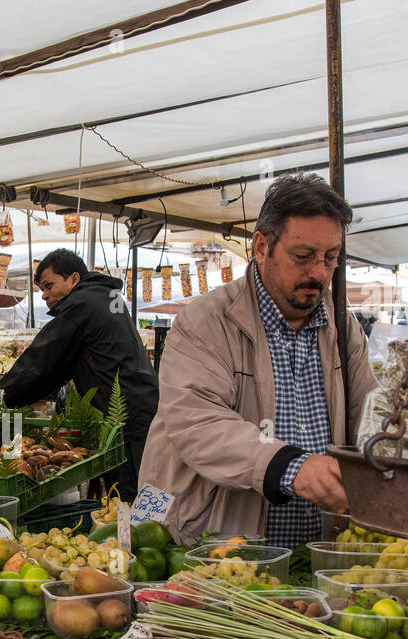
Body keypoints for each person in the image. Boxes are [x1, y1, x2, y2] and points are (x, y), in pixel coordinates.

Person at [139, 173, 377, 549]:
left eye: (330, 259)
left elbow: (369, 411)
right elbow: (198, 422)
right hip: (213, 544)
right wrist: (291, 467)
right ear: (262, 247)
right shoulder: (205, 321)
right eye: (303, 257)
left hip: (315, 551)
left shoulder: (343, 326)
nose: (318, 272)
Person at [0, 249, 159, 497]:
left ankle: (138, 534)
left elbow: (43, 360)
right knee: (147, 489)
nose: (44, 295)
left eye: (49, 285)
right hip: (143, 407)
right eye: (41, 289)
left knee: (131, 495)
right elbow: (60, 365)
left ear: (74, 278)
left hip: (126, 419)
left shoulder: (82, 304)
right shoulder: (106, 296)